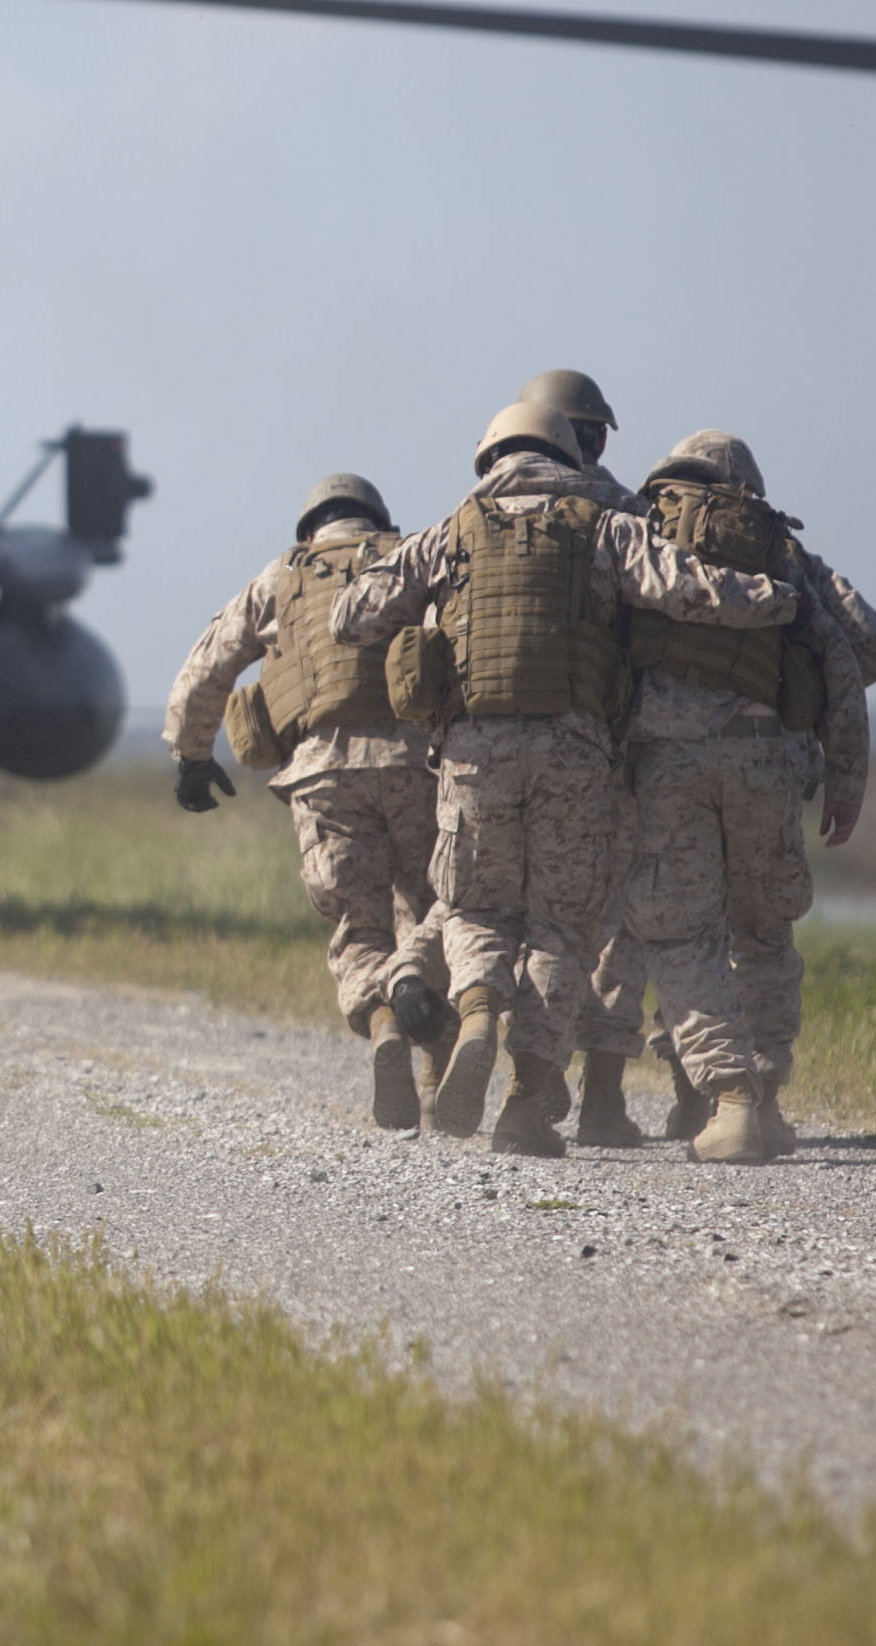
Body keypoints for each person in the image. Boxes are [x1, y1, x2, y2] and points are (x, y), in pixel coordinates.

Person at [330, 401, 798, 1154]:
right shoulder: (602, 521)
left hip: (471, 752)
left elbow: (351, 617)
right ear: (566, 451)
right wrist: (773, 601)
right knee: (561, 928)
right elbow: (680, 585)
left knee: (474, 907)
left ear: (492, 455)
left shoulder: (453, 526)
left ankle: (478, 1004)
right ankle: (526, 1098)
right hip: (575, 749)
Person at [608, 431, 876, 1155]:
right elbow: (862, 643)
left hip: (666, 764)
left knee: (682, 933)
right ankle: (763, 1098)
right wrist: (846, 777)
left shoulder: (639, 532)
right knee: (762, 936)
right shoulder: (782, 554)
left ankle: (727, 1098)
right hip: (767, 761)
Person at [163, 472, 451, 1130]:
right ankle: (436, 1074)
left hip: (321, 777)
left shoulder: (278, 578)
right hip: (417, 767)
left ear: (307, 531)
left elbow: (206, 667)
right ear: (377, 521)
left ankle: (380, 1025)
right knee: (431, 913)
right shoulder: (412, 558)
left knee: (358, 928)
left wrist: (191, 757)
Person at [513, 369, 660, 1144]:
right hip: (614, 747)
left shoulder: (490, 512)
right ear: (592, 436)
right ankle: (601, 1099)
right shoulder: (627, 515)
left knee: (526, 923)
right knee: (612, 931)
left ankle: (529, 1087)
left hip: (506, 753)